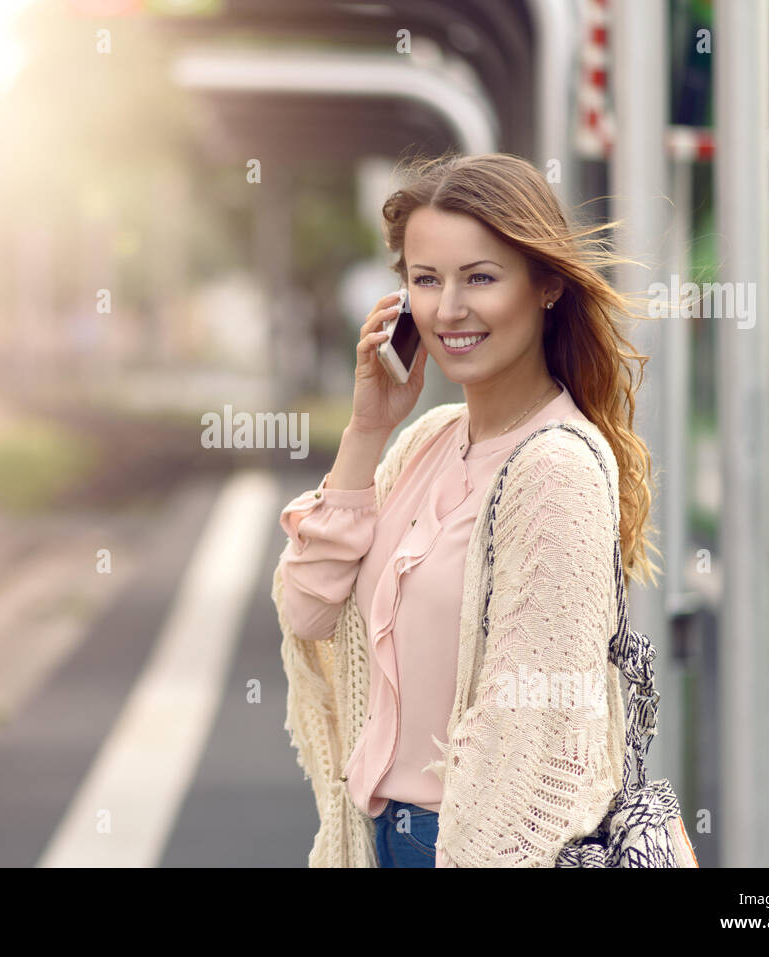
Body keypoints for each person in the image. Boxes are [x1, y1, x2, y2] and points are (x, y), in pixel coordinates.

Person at [271, 152, 664, 867]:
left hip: (464, 849)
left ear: (546, 285)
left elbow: (528, 736)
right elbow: (308, 609)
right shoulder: (424, 443)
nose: (448, 309)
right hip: (380, 837)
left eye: (480, 277)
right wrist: (366, 429)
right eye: (426, 279)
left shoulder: (557, 469)